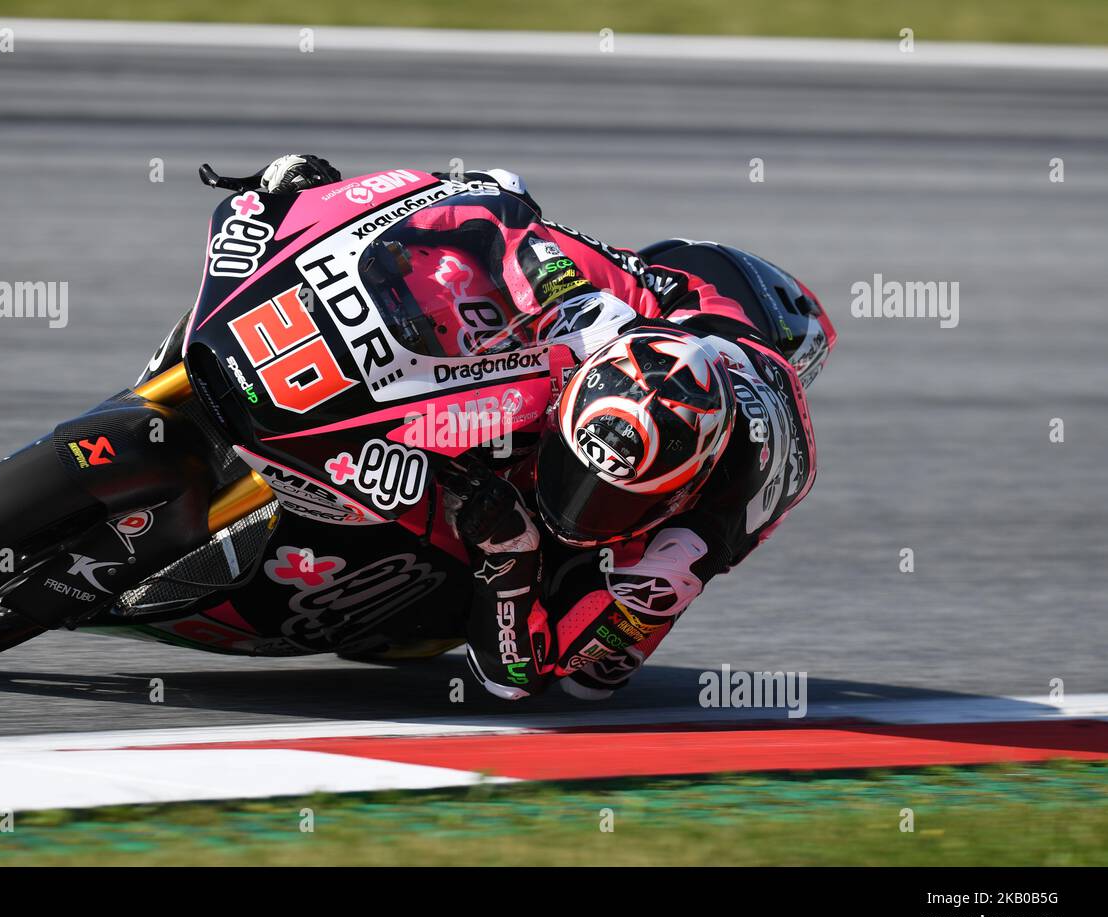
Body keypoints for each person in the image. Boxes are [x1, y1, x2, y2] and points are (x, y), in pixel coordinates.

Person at [258, 155, 836, 700]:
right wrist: (315, 203)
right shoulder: (607, 303)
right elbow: (493, 200)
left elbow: (520, 677)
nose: (579, 503)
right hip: (638, 345)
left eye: (608, 499)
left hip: (710, 496)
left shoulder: (691, 539)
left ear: (680, 490)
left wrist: (511, 557)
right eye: (575, 473)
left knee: (595, 679)